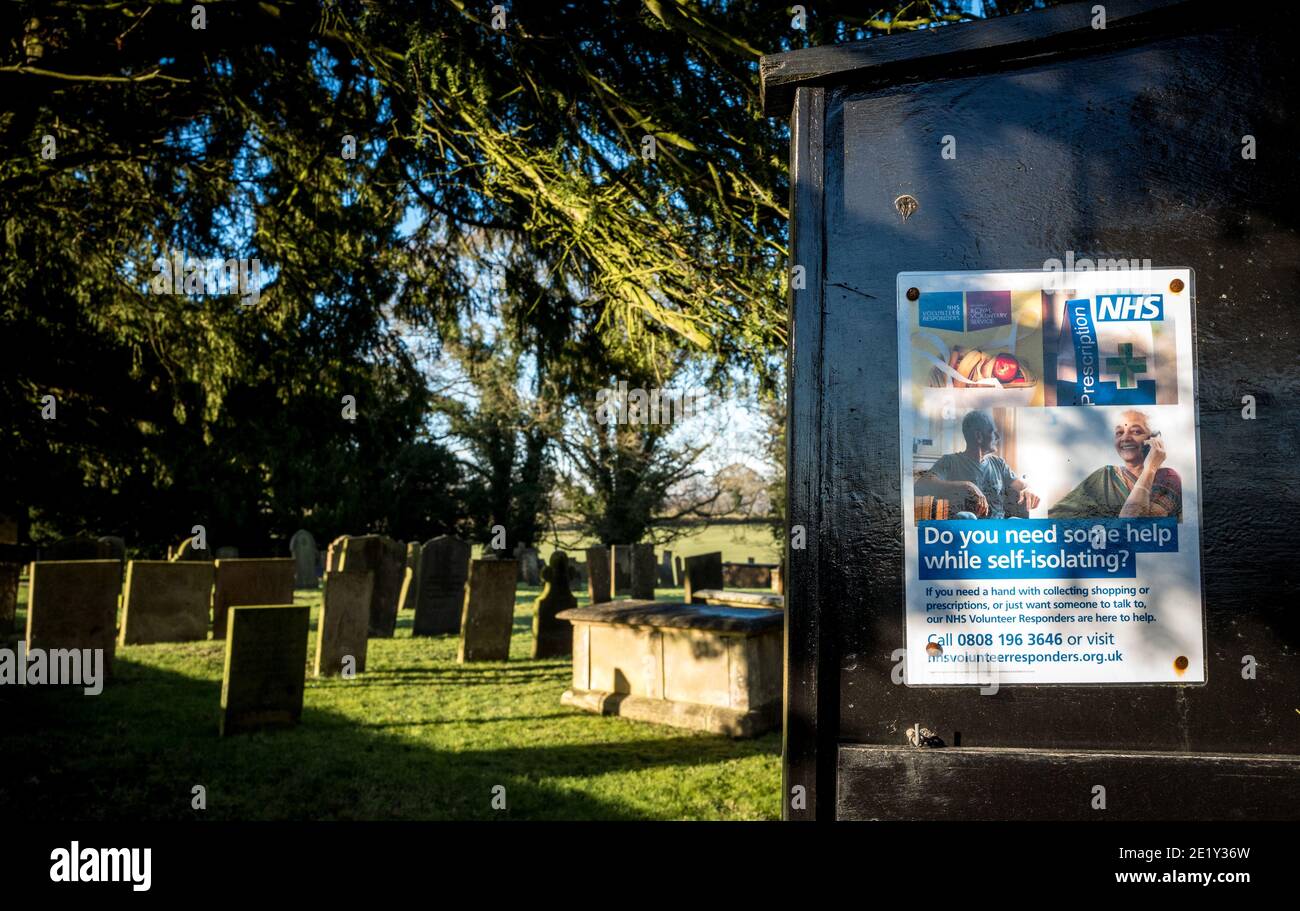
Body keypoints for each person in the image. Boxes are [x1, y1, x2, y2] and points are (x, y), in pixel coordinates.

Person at [1048, 409, 1181, 519]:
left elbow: (1132, 524)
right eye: (1119, 433)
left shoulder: (1168, 477)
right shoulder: (1106, 476)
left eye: (1136, 431)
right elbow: (1057, 518)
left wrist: (1151, 469)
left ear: (1152, 439)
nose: (1125, 438)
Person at [915, 410, 1039, 519]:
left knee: (1016, 523)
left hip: (997, 533)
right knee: (966, 517)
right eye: (993, 432)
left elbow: (1022, 485)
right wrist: (966, 485)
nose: (998, 437)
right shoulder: (950, 461)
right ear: (979, 436)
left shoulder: (999, 463)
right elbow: (921, 485)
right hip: (966, 533)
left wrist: (1028, 489)